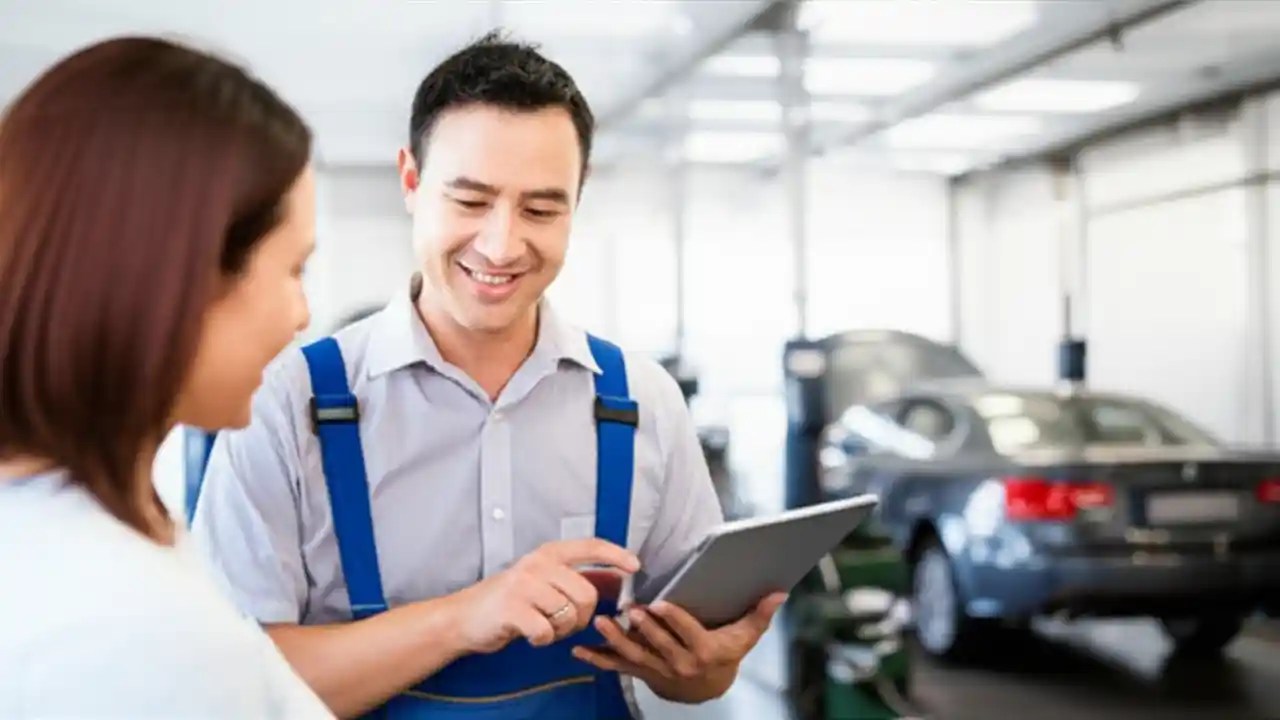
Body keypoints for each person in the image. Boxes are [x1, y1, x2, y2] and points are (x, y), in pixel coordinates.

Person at [191, 31, 786, 720]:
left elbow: (694, 675)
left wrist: (703, 671)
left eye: (540, 209)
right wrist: (466, 616)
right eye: (470, 201)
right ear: (411, 182)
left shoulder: (643, 402)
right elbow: (232, 689)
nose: (502, 245)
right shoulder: (284, 404)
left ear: (576, 202)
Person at [0, 36, 332, 718]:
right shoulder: (125, 631)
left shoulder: (101, 534)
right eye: (293, 270)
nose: (302, 314)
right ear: (183, 279)